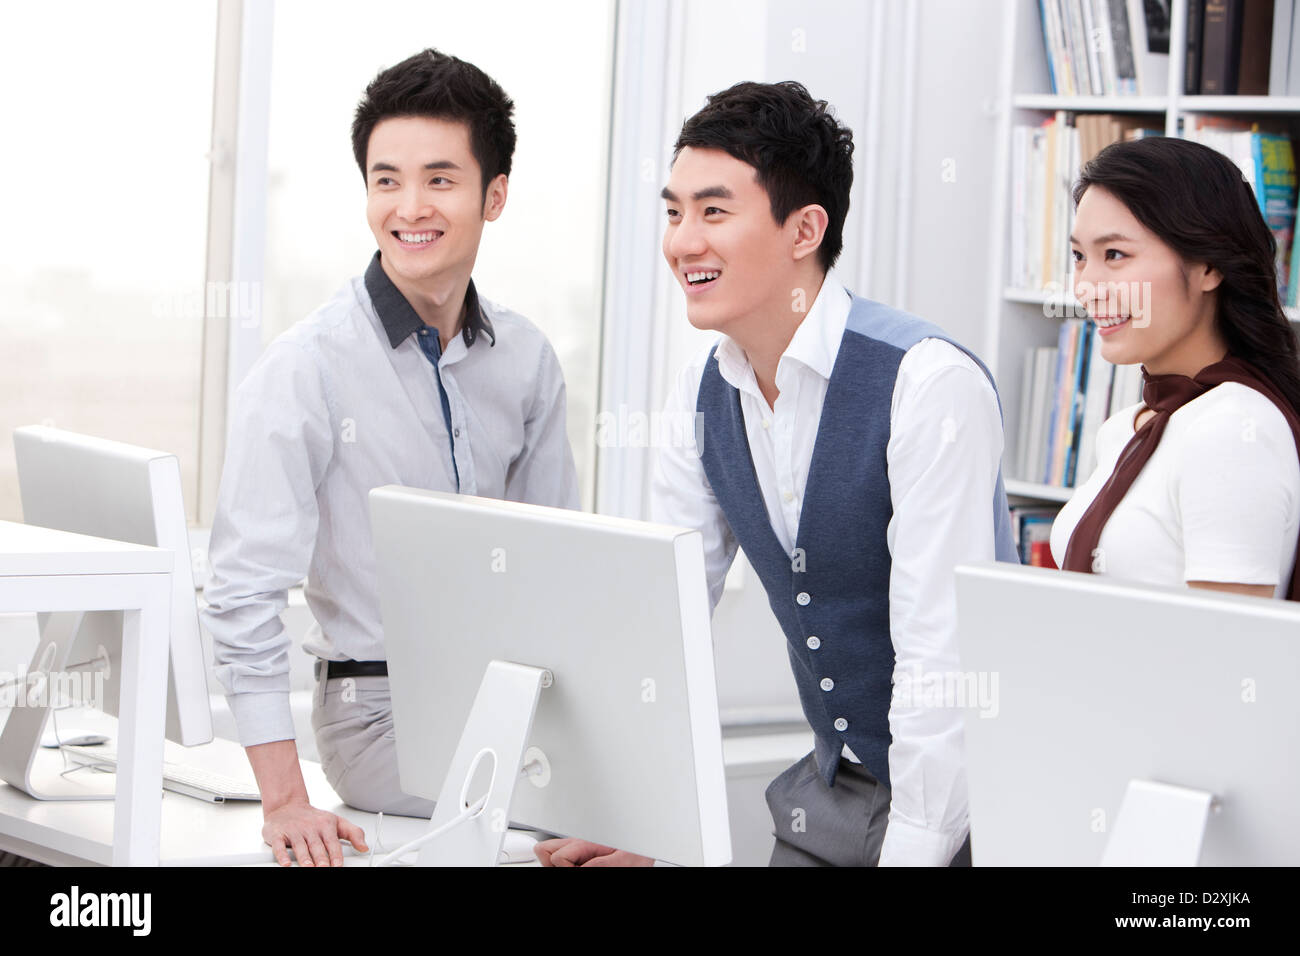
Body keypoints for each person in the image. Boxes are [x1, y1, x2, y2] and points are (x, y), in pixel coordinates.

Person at [536, 80, 1019, 867]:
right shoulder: (701, 391)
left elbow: (943, 660)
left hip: (968, 809)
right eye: (674, 211)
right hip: (831, 794)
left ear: (805, 229)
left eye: (714, 212)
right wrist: (633, 815)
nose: (682, 241)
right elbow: (664, 619)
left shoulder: (928, 385)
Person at [202, 48, 579, 867]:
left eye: (441, 179)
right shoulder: (306, 367)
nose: (410, 207)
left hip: (514, 707)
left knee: (642, 810)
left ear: (495, 195)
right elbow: (239, 593)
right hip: (376, 713)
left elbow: (561, 569)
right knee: (616, 814)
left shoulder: (526, 360)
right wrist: (285, 800)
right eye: (386, 179)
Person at [1051, 137, 1300, 600]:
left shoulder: (1233, 430)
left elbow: (1229, 653)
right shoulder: (1125, 430)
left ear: (1208, 265)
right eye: (1080, 257)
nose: (1086, 287)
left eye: (1115, 255)